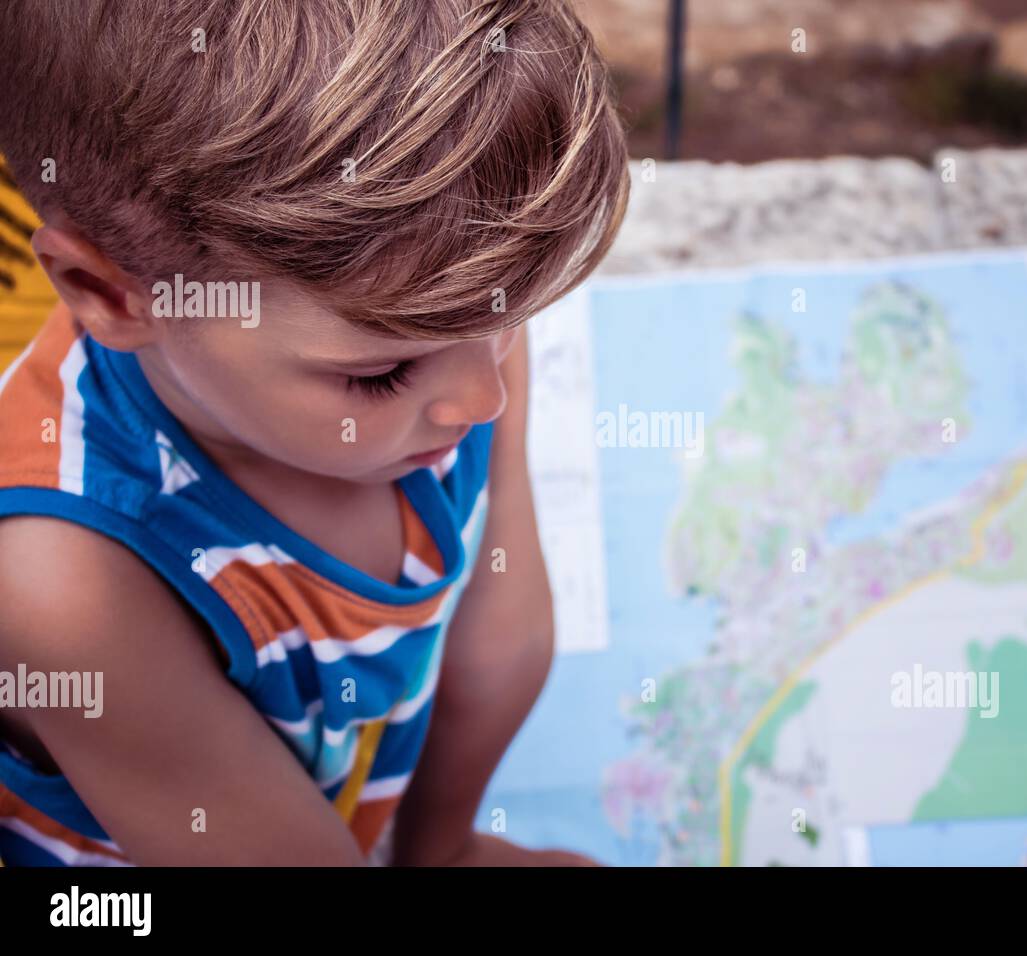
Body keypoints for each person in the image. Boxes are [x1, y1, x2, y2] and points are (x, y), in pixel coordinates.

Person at [0, 0, 628, 866]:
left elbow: (502, 626)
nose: (484, 397)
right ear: (111, 295)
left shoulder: (445, 310)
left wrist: (440, 851)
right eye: (379, 376)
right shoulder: (61, 581)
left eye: (514, 318)